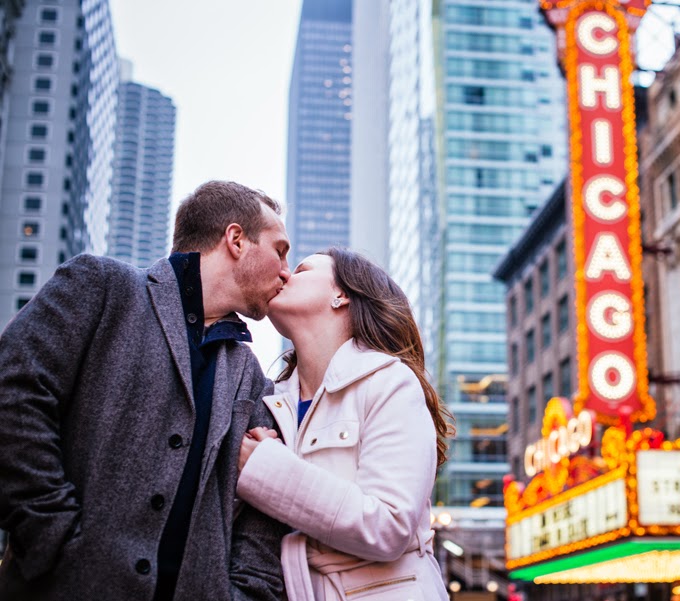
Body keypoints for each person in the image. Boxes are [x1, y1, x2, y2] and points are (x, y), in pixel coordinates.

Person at [0, 181, 292, 600]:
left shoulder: (252, 376)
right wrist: (52, 535)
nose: (286, 271)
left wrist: (244, 594)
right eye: (280, 250)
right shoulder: (101, 286)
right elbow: (13, 395)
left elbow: (260, 517)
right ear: (236, 239)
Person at [236, 247, 453, 601]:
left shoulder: (390, 382)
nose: (285, 274)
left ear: (341, 294)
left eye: (302, 270)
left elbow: (388, 526)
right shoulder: (269, 400)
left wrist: (263, 469)